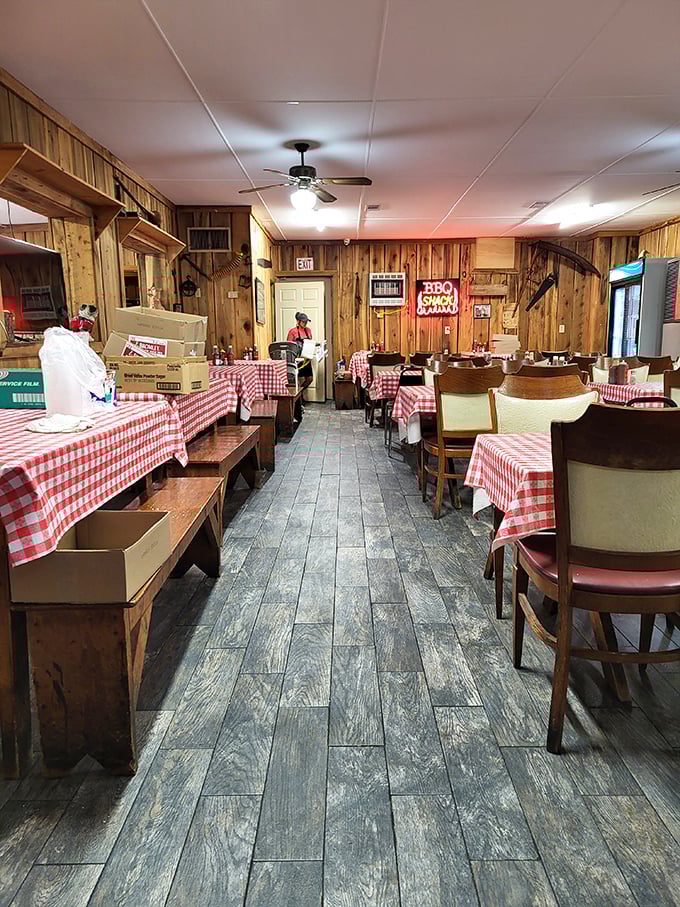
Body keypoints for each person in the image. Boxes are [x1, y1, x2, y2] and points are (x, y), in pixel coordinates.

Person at [287, 311, 314, 401]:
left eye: (306, 321)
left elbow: (310, 343)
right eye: (303, 321)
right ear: (298, 321)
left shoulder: (308, 330)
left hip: (306, 358)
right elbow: (289, 346)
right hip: (297, 359)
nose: (305, 323)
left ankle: (300, 393)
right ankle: (298, 399)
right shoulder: (292, 331)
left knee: (310, 378)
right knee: (297, 379)